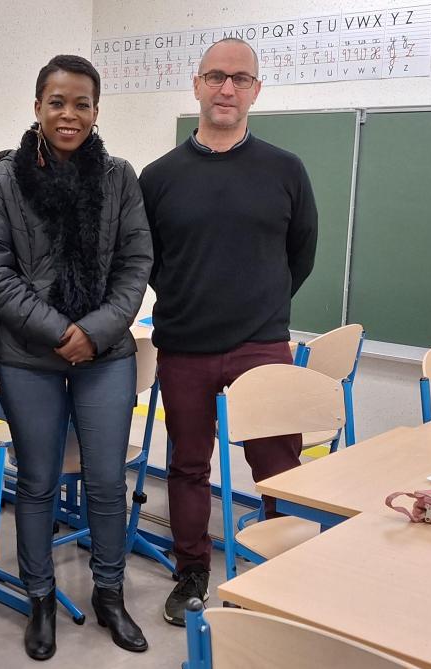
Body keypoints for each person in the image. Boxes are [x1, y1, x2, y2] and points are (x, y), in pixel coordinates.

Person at [138, 37, 320, 626]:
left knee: (279, 463)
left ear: (255, 91)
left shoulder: (286, 170)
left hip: (261, 345)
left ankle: (284, 572)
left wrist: (259, 306)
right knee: (188, 466)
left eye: (240, 79)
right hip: (184, 345)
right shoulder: (158, 177)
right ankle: (191, 572)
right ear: (196, 84)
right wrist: (194, 300)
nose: (226, 88)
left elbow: (301, 255)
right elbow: (150, 260)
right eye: (216, 76)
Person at [0, 54, 152, 660]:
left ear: (96, 111)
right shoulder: (3, 179)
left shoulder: (119, 177)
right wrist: (59, 332)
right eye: (57, 102)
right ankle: (41, 599)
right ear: (37, 108)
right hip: (28, 356)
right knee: (38, 483)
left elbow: (135, 264)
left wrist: (94, 333)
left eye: (81, 103)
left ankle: (110, 594)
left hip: (106, 353)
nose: (69, 114)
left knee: (105, 481)